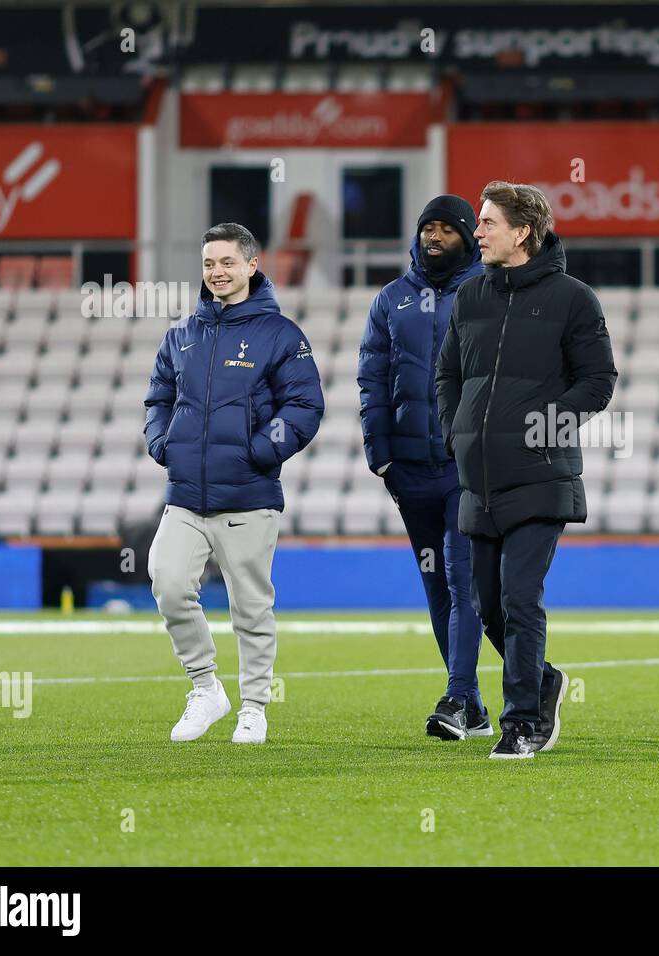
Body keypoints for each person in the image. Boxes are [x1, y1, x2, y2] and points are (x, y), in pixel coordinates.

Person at [435, 181, 617, 760]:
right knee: (486, 605)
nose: (477, 231)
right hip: (478, 480)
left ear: (523, 232)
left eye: (488, 223)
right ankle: (542, 682)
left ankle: (521, 721)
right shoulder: (470, 298)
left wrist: (543, 427)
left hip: (541, 475)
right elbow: (447, 377)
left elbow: (598, 382)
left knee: (519, 598)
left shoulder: (574, 299)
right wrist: (454, 430)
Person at [144, 222, 324, 745]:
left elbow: (305, 406)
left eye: (227, 262)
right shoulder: (181, 335)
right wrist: (163, 444)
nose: (217, 272)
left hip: (248, 496)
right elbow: (157, 398)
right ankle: (206, 689)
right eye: (208, 264)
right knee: (169, 583)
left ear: (251, 265)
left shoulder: (280, 334)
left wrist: (259, 452)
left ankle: (254, 707)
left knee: (250, 607)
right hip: (186, 496)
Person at [358, 195, 492, 742]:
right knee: (436, 584)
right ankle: (474, 704)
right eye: (427, 228)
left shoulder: (489, 292)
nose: (434, 238)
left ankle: (458, 698)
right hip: (409, 469)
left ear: (467, 236)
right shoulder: (391, 299)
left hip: (466, 467)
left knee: (463, 580)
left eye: (446, 229)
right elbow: (372, 378)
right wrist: (380, 454)